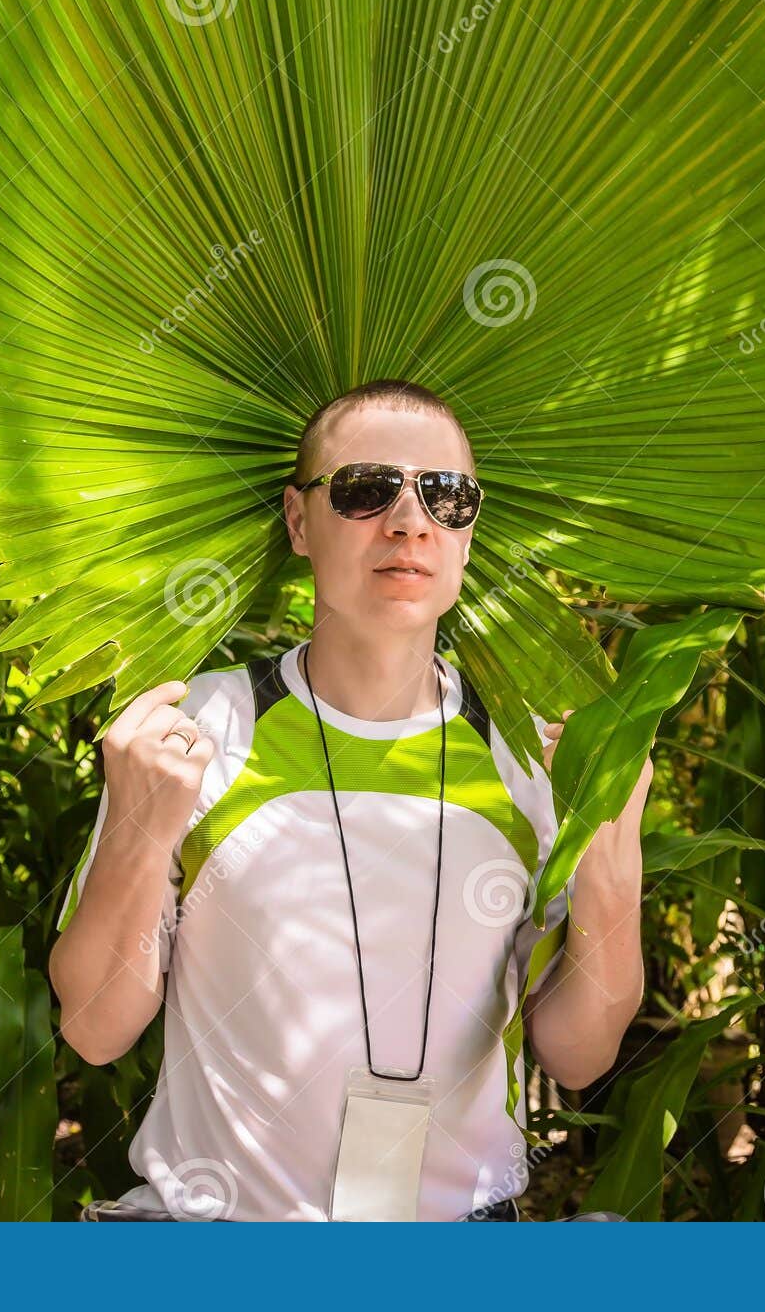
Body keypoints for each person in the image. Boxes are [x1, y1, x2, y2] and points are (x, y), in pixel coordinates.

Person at [48, 379, 650, 1221]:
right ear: (299, 521)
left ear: (467, 535)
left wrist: (612, 861)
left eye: (445, 496)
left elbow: (579, 1056)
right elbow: (94, 1027)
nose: (409, 522)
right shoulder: (200, 730)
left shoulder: (529, 752)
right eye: (366, 489)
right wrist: (137, 836)